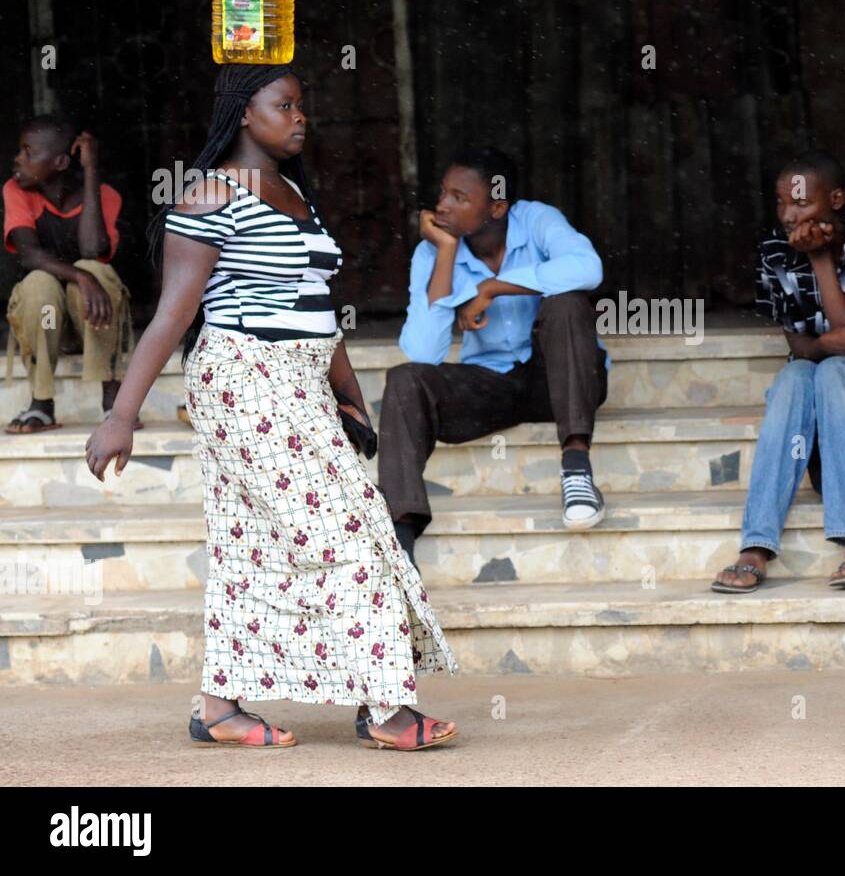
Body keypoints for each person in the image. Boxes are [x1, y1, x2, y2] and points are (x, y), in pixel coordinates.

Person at [83, 64, 459, 751]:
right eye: (283, 105)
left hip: (300, 379)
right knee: (346, 532)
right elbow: (172, 314)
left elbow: (316, 307)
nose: (299, 117)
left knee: (247, 544)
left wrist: (350, 394)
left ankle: (219, 707)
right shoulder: (207, 197)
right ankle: (386, 707)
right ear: (243, 114)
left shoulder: (292, 193)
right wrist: (122, 414)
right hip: (243, 376)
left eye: (301, 105)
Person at [379, 146, 609, 563]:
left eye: (459, 198)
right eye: (443, 193)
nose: (442, 205)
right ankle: (401, 532)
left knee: (567, 303)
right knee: (405, 379)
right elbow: (422, 352)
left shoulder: (537, 220)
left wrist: (492, 288)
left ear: (498, 207)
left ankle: (576, 466)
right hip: (492, 386)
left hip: (559, 380)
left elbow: (587, 268)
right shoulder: (430, 252)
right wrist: (446, 252)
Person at [712, 150, 845, 593]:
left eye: (801, 203)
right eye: (781, 202)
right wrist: (824, 343)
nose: (789, 215)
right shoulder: (775, 250)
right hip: (818, 373)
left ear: (837, 199)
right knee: (793, 379)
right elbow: (802, 348)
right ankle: (756, 545)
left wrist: (821, 261)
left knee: (836, 373)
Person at [5, 116, 138, 433]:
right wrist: (81, 277)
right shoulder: (16, 190)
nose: (18, 159)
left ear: (61, 162)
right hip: (49, 324)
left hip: (93, 322)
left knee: (95, 269)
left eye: (28, 152)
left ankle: (112, 399)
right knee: (39, 282)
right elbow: (28, 254)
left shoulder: (105, 195)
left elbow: (93, 251)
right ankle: (42, 404)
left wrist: (91, 171)